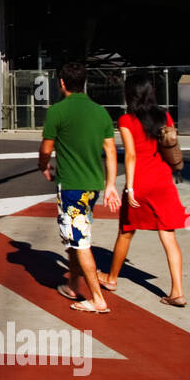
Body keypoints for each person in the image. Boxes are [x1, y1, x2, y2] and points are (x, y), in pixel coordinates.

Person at [38, 60, 121, 314]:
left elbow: (46, 148)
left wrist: (43, 165)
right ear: (84, 82)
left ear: (62, 83)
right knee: (75, 237)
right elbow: (110, 150)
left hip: (71, 186)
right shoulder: (100, 112)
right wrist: (110, 185)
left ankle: (97, 298)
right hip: (93, 186)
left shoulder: (57, 111)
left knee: (80, 242)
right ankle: (73, 284)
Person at [99, 73, 188, 306]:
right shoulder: (165, 116)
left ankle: (111, 278)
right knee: (169, 235)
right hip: (163, 181)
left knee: (126, 231)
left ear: (130, 93)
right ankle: (177, 291)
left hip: (140, 183)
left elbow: (130, 154)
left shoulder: (126, 120)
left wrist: (128, 186)